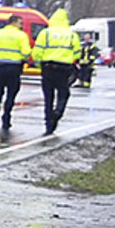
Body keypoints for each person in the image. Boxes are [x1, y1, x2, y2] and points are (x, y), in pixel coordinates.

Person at [31, 7, 80, 136]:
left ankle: (48, 124)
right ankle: (57, 113)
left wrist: (39, 63)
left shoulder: (45, 33)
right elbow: (77, 53)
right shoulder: (71, 34)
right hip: (64, 68)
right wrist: (69, 59)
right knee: (63, 93)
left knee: (48, 97)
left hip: (47, 67)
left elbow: (37, 51)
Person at [0, 15, 31, 132]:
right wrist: (24, 60)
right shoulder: (21, 36)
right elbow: (26, 53)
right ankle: (6, 117)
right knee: (11, 93)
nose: (21, 26)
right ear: (14, 23)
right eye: (20, 23)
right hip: (14, 67)